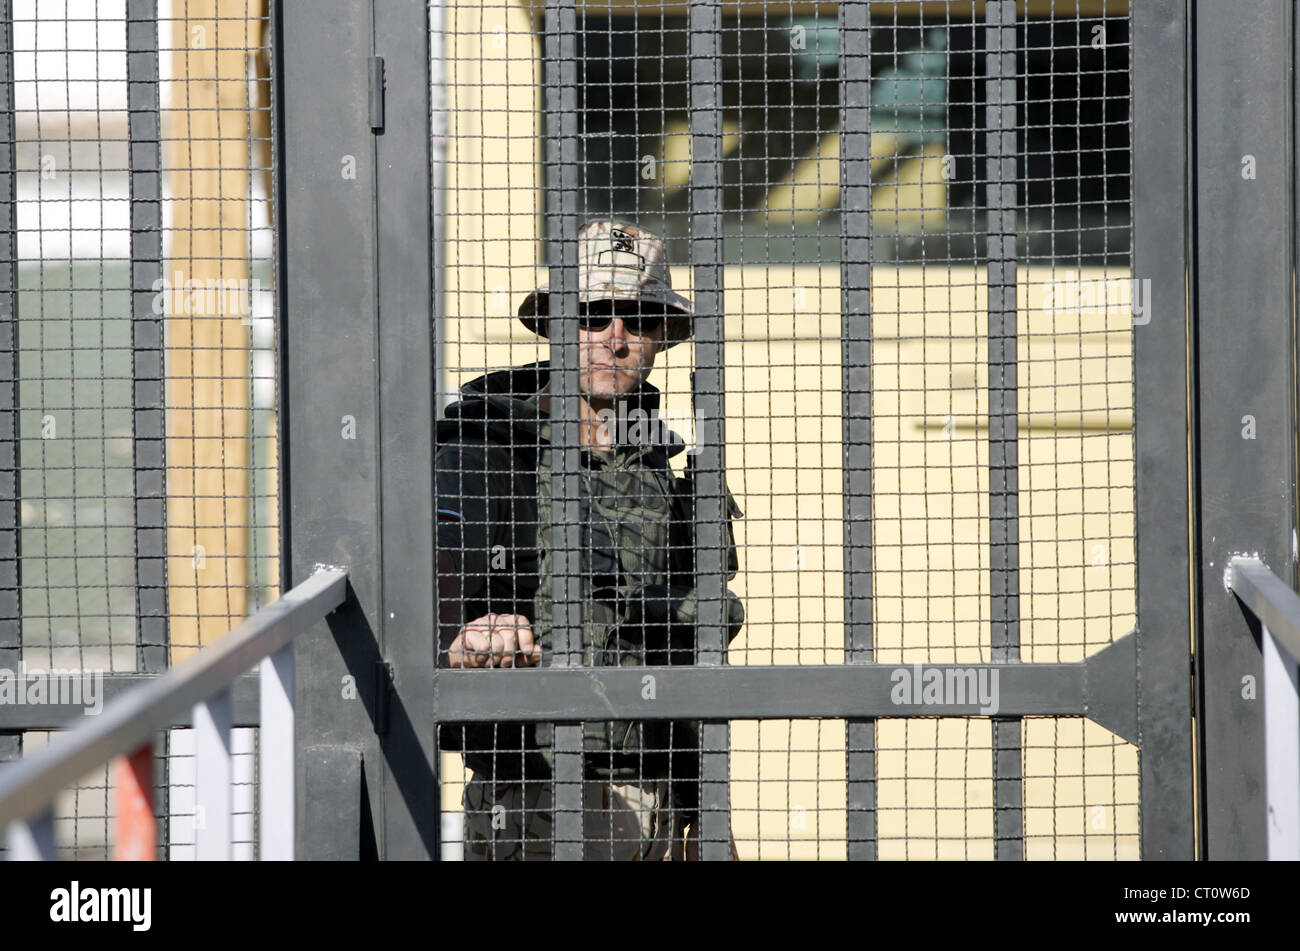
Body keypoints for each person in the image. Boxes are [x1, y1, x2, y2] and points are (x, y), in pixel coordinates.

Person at [434, 218, 744, 860]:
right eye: (593, 315)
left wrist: (702, 812)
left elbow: (688, 656)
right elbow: (409, 607)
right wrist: (464, 636)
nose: (616, 338)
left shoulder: (661, 464)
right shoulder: (481, 451)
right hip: (534, 789)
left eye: (638, 320)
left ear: (661, 338)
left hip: (655, 794)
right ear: (556, 327)